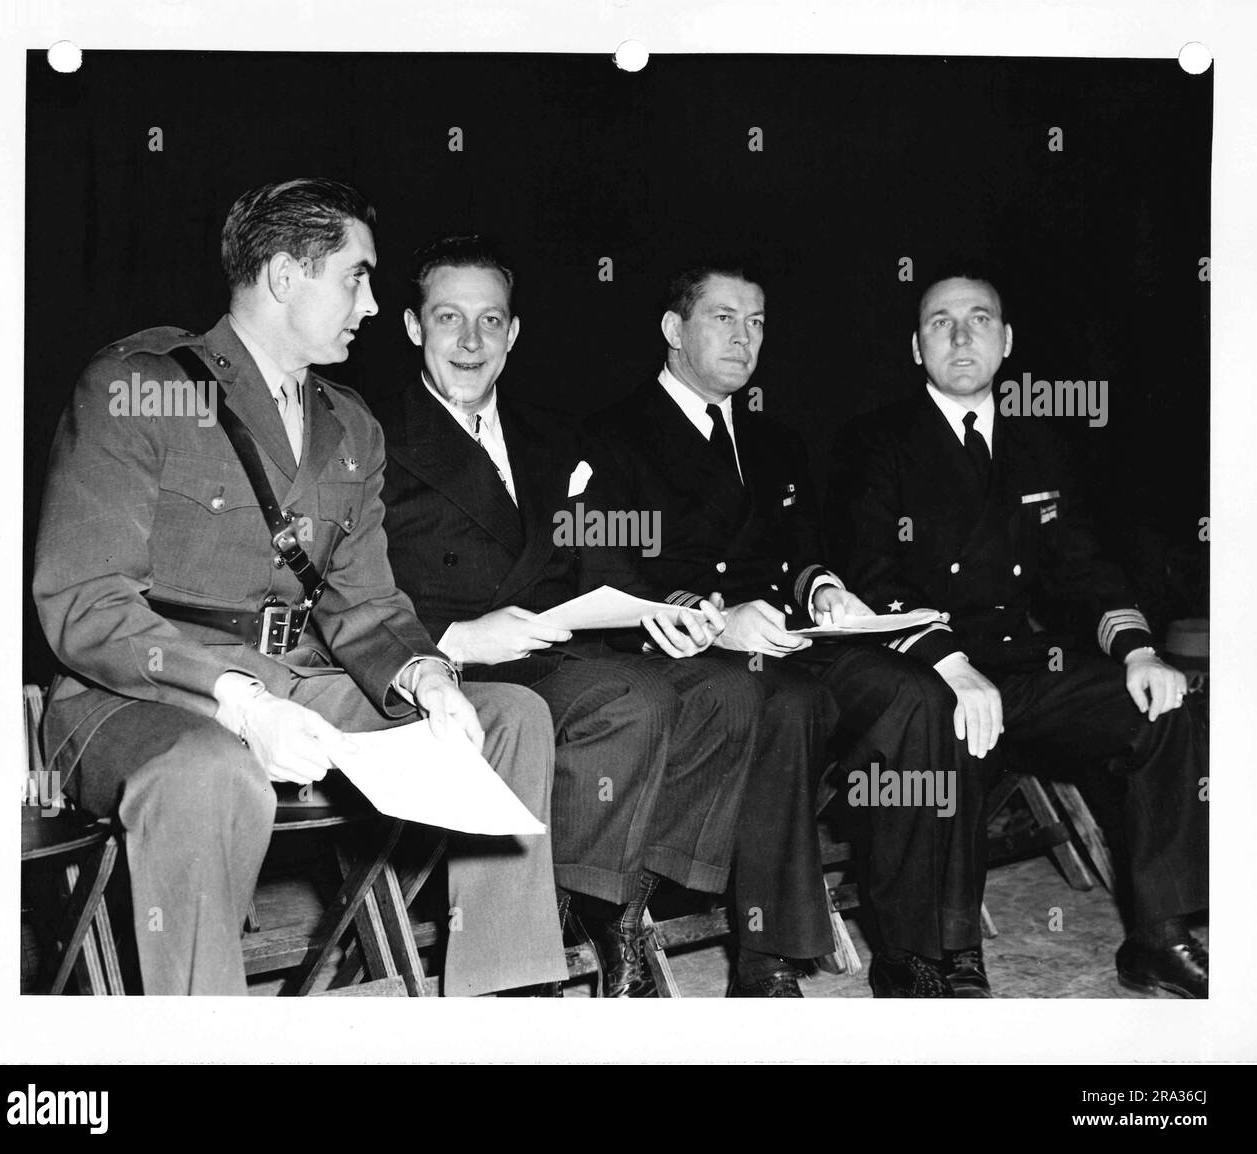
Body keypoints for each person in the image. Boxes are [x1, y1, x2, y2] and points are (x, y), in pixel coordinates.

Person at [33, 179, 566, 997]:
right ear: (285, 275)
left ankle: (504, 1004)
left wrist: (427, 675)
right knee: (210, 773)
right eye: (357, 277)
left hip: (301, 685)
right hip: (137, 698)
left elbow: (369, 606)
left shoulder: (351, 424)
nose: (376, 304)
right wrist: (241, 703)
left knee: (507, 719)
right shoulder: (139, 385)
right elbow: (84, 603)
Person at [372, 235, 836, 996]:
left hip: (550, 648)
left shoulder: (552, 434)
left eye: (491, 321)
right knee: (637, 700)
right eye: (448, 318)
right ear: (414, 327)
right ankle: (601, 907)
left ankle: (610, 893)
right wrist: (449, 638)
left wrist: (664, 609)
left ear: (514, 334)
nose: (470, 341)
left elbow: (596, 557)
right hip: (442, 660)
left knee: (730, 693)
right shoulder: (375, 435)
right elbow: (354, 586)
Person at [584, 263, 981, 997]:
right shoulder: (612, 435)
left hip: (792, 643)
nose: (745, 337)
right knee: (784, 705)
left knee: (917, 696)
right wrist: (716, 620)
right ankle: (767, 960)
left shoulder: (777, 441)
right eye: (723, 318)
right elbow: (604, 569)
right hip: (688, 650)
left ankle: (918, 950)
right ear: (674, 331)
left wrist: (823, 588)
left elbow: (802, 553)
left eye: (757, 322)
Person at [840, 268, 1208, 997]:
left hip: (1023, 666)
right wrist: (951, 664)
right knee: (939, 727)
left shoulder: (1039, 443)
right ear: (916, 348)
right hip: (925, 665)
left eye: (979, 318)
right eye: (940, 322)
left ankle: (1160, 933)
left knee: (1162, 705)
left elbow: (1082, 566)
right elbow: (871, 581)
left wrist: (1138, 650)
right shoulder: (875, 441)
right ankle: (943, 951)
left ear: (1007, 341)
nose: (960, 334)